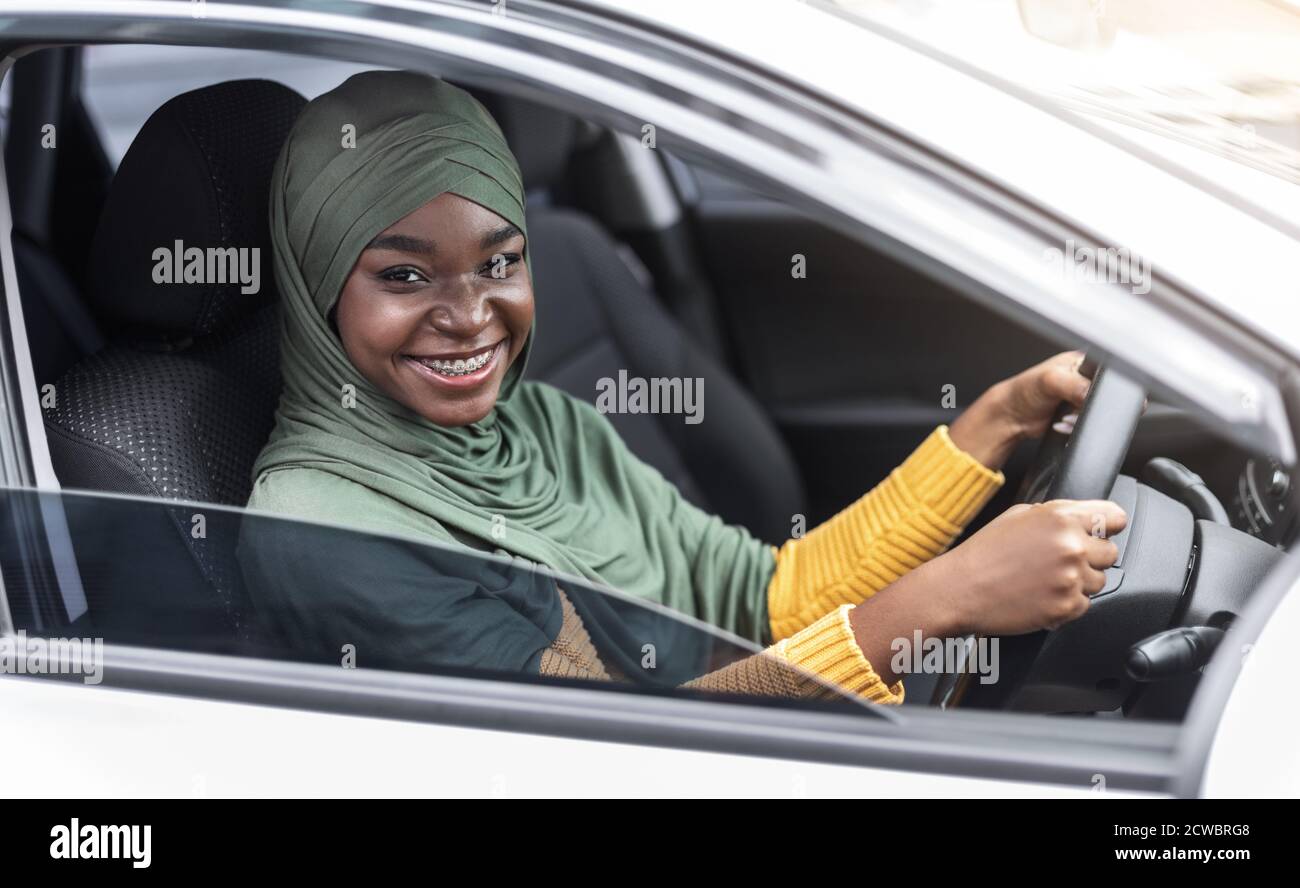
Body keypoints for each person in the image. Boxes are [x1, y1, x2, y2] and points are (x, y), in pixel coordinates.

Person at [239, 71, 1125, 703]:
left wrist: (997, 423)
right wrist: (945, 603)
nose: (471, 315)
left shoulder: (540, 424)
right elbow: (627, 764)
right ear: (318, 283)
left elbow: (764, 597)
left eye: (499, 262)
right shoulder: (323, 532)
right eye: (405, 277)